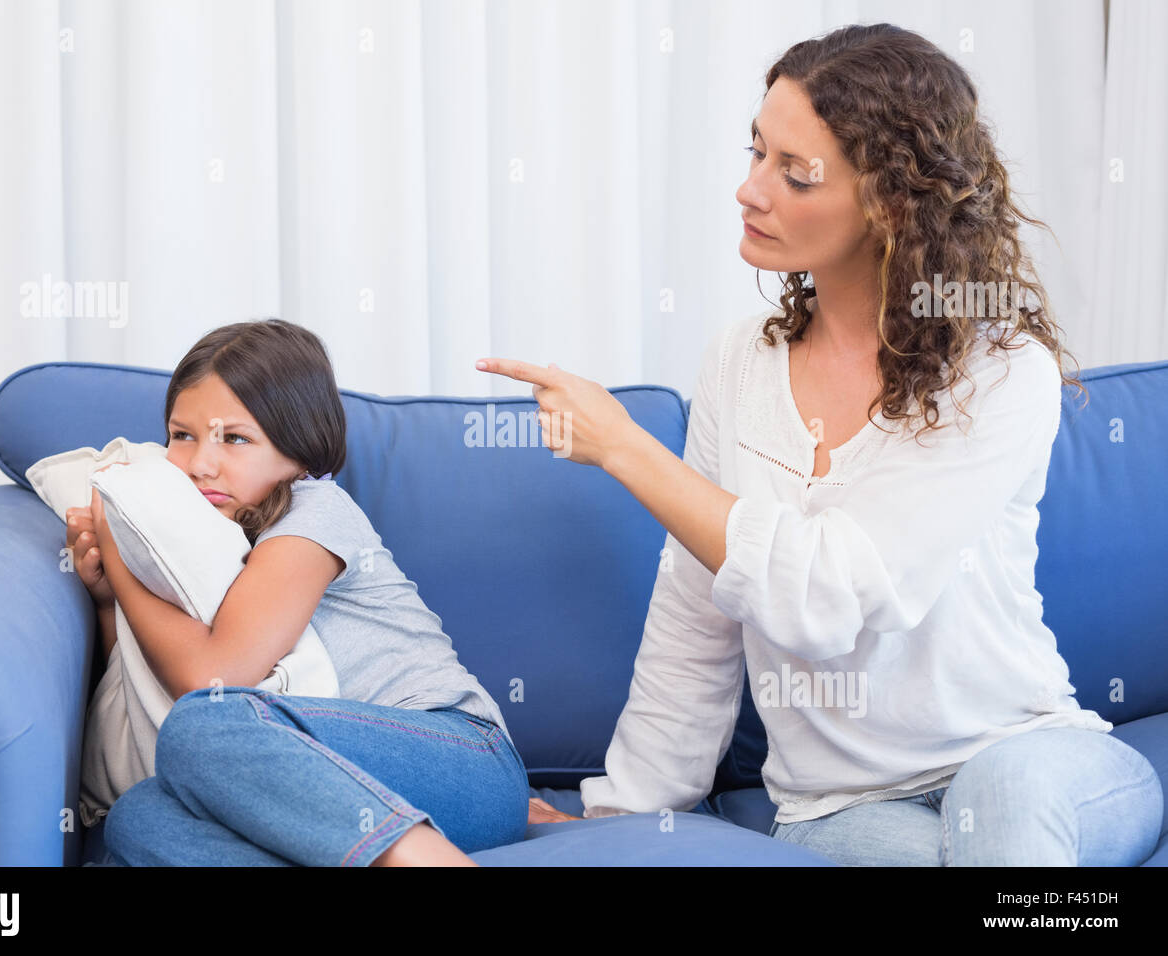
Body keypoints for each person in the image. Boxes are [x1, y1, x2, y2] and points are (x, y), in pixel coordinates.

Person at [495, 23, 1163, 865]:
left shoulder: (998, 371)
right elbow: (694, 621)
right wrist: (620, 813)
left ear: (890, 202)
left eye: (793, 172)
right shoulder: (742, 365)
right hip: (839, 805)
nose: (749, 189)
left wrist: (627, 450)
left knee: (1003, 808)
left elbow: (839, 589)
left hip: (1032, 758)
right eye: (755, 153)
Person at [69, 319, 528, 866]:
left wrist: (121, 555)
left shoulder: (316, 510)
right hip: (323, 786)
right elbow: (145, 700)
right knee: (141, 817)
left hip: (460, 758)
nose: (199, 464)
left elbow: (210, 679)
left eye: (235, 438)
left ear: (301, 455)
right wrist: (107, 602)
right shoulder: (200, 543)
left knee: (205, 723)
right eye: (182, 434)